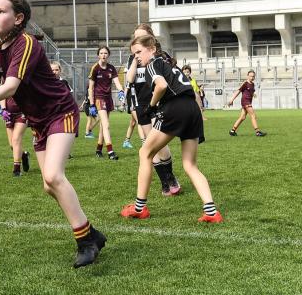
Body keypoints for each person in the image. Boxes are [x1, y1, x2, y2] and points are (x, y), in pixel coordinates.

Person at [0, 0, 106, 268]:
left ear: (18, 18)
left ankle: (85, 241)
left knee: (54, 175)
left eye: (0, 11)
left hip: (60, 112)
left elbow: (11, 86)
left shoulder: (26, 43)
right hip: (38, 120)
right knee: (48, 186)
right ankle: (93, 234)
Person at [121, 34, 223, 223]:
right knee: (190, 165)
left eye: (138, 52)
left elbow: (161, 86)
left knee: (145, 153)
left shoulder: (153, 64)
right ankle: (211, 211)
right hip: (192, 110)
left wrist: (151, 105)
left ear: (152, 49)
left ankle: (139, 208)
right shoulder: (172, 66)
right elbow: (190, 91)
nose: (136, 57)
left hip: (175, 108)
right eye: (134, 54)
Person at [125, 24, 181, 196]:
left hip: (157, 104)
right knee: (149, 145)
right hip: (141, 106)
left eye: (141, 37)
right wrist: (134, 60)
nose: (137, 41)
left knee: (160, 144)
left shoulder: (160, 56)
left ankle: (170, 177)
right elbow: (129, 78)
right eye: (135, 37)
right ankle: (165, 182)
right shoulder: (133, 58)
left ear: (150, 38)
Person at [88, 46, 125, 160]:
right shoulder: (95, 68)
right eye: (101, 53)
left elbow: (117, 82)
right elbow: (90, 88)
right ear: (98, 55)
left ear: (108, 55)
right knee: (106, 125)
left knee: (102, 126)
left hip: (108, 98)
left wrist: (121, 90)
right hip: (99, 98)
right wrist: (92, 104)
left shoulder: (111, 68)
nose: (103, 55)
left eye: (105, 53)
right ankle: (110, 152)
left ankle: (99, 149)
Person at [228, 70, 266, 137]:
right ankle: (258, 132)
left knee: (242, 117)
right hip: (245, 101)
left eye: (253, 76)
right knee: (253, 115)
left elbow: (251, 91)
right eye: (251, 76)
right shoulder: (245, 83)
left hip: (248, 101)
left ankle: (232, 131)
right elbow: (238, 91)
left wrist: (253, 94)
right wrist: (232, 100)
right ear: (247, 76)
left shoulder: (253, 84)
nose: (252, 77)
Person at [0, 96, 31, 176]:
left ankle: (16, 170)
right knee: (12, 145)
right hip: (9, 115)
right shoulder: (4, 82)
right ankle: (24, 155)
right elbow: (2, 95)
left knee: (16, 139)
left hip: (22, 113)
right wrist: (3, 109)